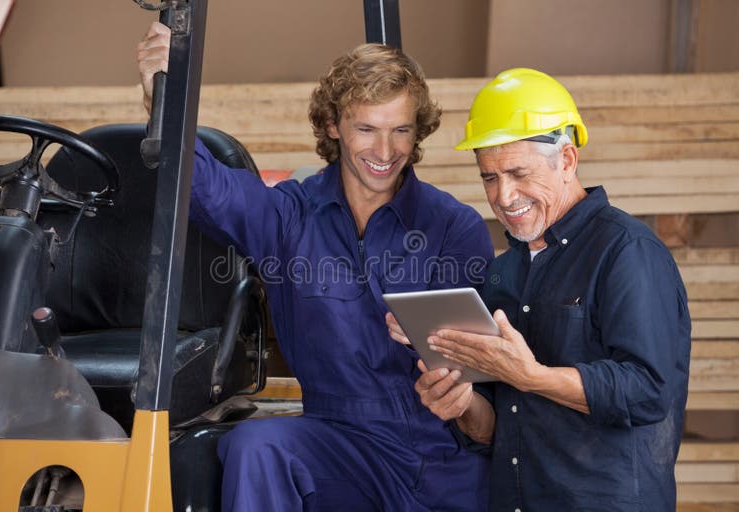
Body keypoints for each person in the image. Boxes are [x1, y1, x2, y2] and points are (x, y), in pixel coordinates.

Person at [137, 22, 494, 511]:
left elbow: (476, 377)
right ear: (333, 126)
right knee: (254, 449)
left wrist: (460, 395)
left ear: (419, 129)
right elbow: (206, 190)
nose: (385, 152)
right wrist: (164, 95)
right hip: (336, 442)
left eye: (400, 131)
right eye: (366, 129)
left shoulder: (455, 227)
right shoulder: (289, 216)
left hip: (434, 450)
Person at [387, 68, 692, 511]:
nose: (504, 196)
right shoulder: (503, 273)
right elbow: (498, 426)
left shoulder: (627, 252)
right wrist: (462, 401)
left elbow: (648, 391)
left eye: (518, 173)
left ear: (567, 160)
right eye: (489, 177)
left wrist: (531, 377)